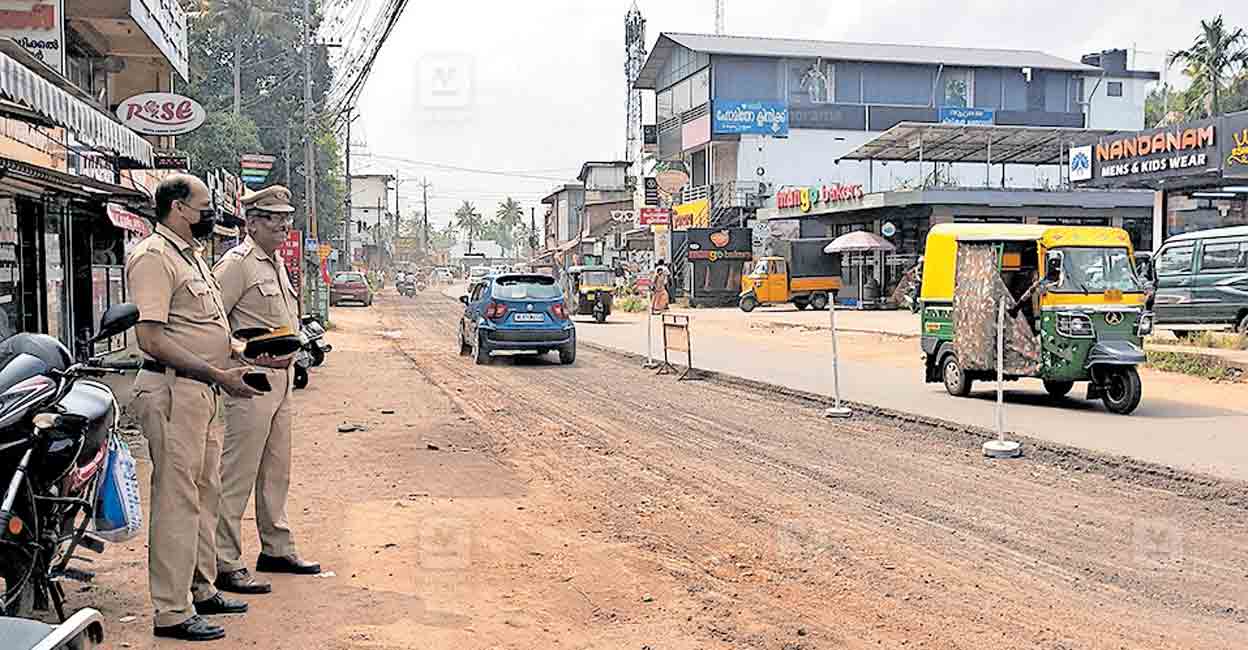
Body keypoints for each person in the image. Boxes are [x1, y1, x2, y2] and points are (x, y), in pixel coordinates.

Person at [127, 174, 262, 642]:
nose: (212, 214)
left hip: (201, 391)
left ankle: (202, 589)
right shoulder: (153, 257)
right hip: (173, 391)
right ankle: (171, 610)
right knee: (177, 501)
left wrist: (242, 353)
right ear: (179, 208)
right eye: (205, 207)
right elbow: (151, 338)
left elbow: (201, 327)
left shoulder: (192, 257)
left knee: (205, 494)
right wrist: (216, 374)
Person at [212, 186, 322, 599]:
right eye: (273, 218)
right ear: (252, 222)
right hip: (252, 380)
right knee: (237, 473)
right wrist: (240, 355)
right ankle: (224, 561)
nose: (283, 225)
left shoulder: (275, 262)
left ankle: (276, 548)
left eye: (286, 218)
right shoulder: (236, 265)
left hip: (282, 380)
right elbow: (211, 322)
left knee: (277, 469)